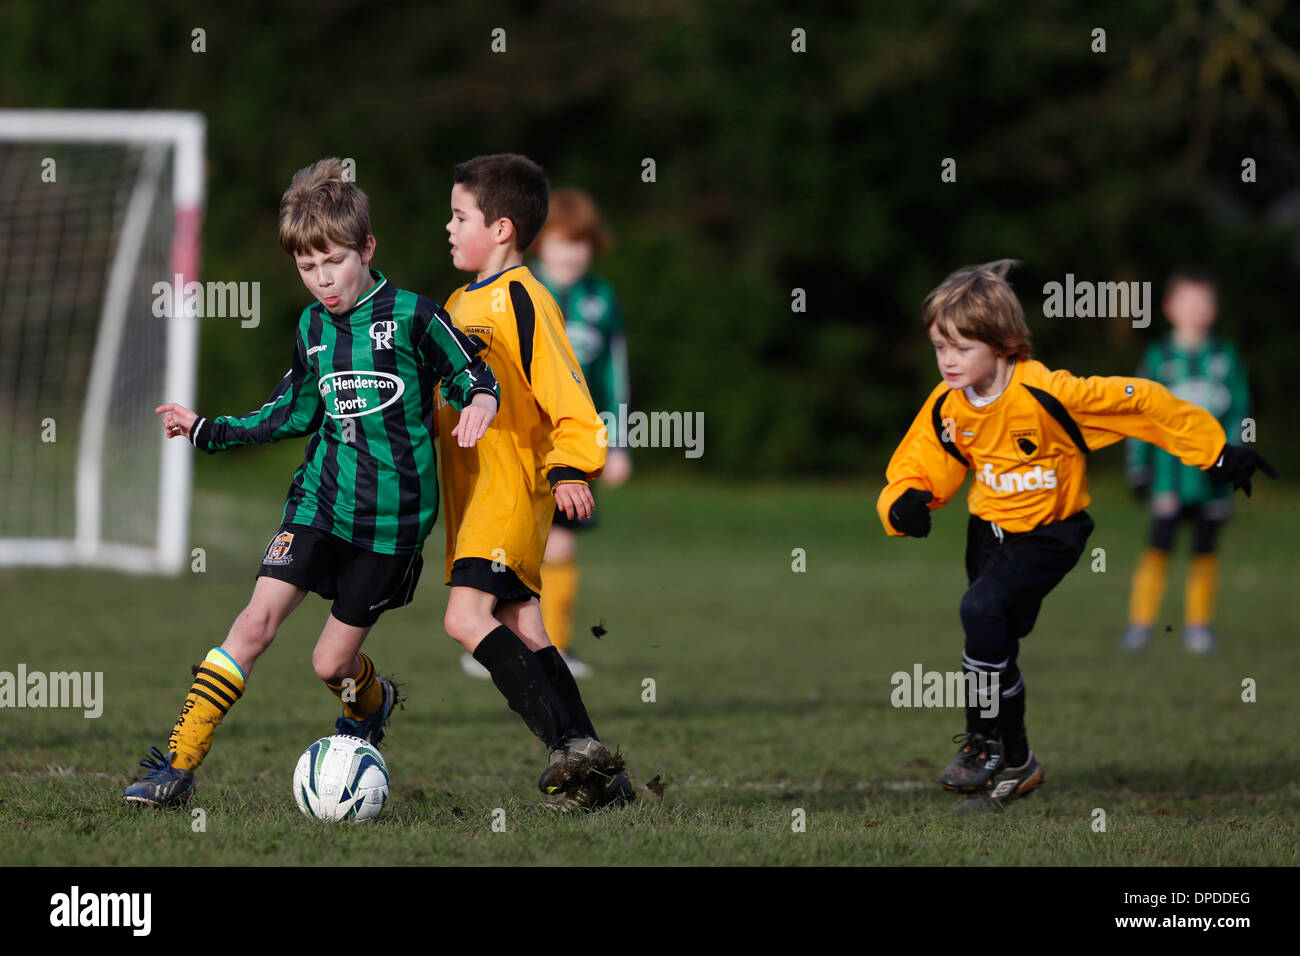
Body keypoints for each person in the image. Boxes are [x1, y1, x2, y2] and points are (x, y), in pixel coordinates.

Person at [123, 158, 499, 807]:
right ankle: (176, 767)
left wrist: (479, 402)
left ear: (367, 248)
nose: (322, 280)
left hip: (393, 524)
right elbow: (292, 410)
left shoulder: (413, 316)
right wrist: (208, 428)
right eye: (307, 267)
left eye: (334, 262)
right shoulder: (311, 329)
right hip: (319, 502)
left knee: (330, 665)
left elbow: (472, 372)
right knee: (253, 624)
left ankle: (372, 703)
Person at [877, 259, 1274, 815]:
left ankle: (983, 742)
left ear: (1001, 343)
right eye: (940, 345)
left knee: (981, 609)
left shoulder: (1049, 394)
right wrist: (904, 502)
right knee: (993, 640)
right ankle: (1018, 763)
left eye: (961, 347)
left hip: (1050, 533)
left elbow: (1144, 402)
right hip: (987, 535)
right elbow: (919, 461)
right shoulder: (949, 406)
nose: (947, 359)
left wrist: (1213, 451)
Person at [438, 154, 632, 811]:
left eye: (460, 216)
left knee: (467, 619)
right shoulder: (457, 303)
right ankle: (605, 779)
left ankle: (565, 748)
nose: (448, 226)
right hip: (473, 498)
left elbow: (567, 390)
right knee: (526, 625)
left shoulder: (524, 297)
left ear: (500, 228)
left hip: (512, 488)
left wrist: (575, 462)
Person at [458, 186, 630, 679]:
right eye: (559, 244)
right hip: (517, 446)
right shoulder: (523, 292)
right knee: (509, 544)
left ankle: (554, 646)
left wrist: (616, 442)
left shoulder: (602, 300)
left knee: (560, 547)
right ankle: (488, 641)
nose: (570, 255)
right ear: (539, 244)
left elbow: (615, 374)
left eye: (580, 244)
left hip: (570, 445)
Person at [1122, 269, 1251, 654]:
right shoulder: (1158, 358)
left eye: (1203, 302)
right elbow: (1136, 414)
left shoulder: (1225, 358)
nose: (1195, 310)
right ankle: (1140, 624)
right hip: (1168, 477)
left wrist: (1233, 459)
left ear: (1214, 309)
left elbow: (1242, 413)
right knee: (1159, 544)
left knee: (1205, 547)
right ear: (1169, 308)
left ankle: (1199, 626)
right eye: (1187, 302)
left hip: (1213, 477)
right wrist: (1137, 464)